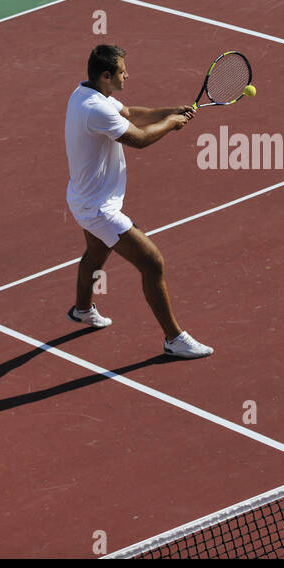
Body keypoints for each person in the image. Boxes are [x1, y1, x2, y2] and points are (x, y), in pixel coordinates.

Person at [63, 44, 214, 359]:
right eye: (122, 71)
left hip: (83, 198)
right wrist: (171, 126)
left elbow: (130, 114)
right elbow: (140, 139)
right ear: (106, 75)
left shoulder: (84, 94)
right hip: (98, 208)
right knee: (152, 262)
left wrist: (170, 111)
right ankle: (174, 339)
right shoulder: (96, 109)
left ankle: (81, 309)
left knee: (94, 255)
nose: (127, 75)